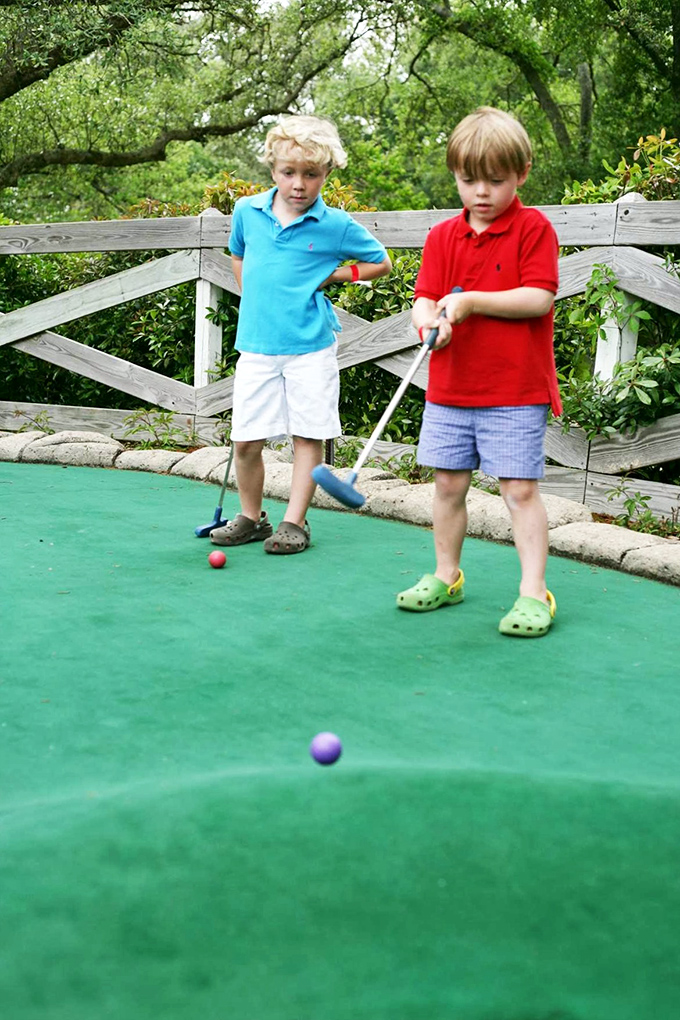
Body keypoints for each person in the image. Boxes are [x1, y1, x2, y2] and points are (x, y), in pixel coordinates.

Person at [397, 106, 561, 637]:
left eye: (496, 180)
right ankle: (447, 576)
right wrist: (428, 323)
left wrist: (471, 305)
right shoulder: (443, 236)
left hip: (513, 390)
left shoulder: (533, 228)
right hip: (450, 388)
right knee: (447, 486)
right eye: (469, 180)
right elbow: (424, 299)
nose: (482, 192)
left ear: (522, 173)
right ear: (455, 176)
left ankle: (534, 593)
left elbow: (538, 298)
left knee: (518, 490)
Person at [210, 114, 391, 554]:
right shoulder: (247, 212)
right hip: (257, 345)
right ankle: (251, 518)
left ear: (326, 174)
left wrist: (336, 276)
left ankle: (294, 522)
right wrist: (254, 294)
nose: (299, 184)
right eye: (289, 172)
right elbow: (238, 255)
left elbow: (381, 263)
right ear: (273, 169)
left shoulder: (336, 225)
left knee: (307, 435)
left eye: (311, 174)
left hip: (310, 347)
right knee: (246, 439)